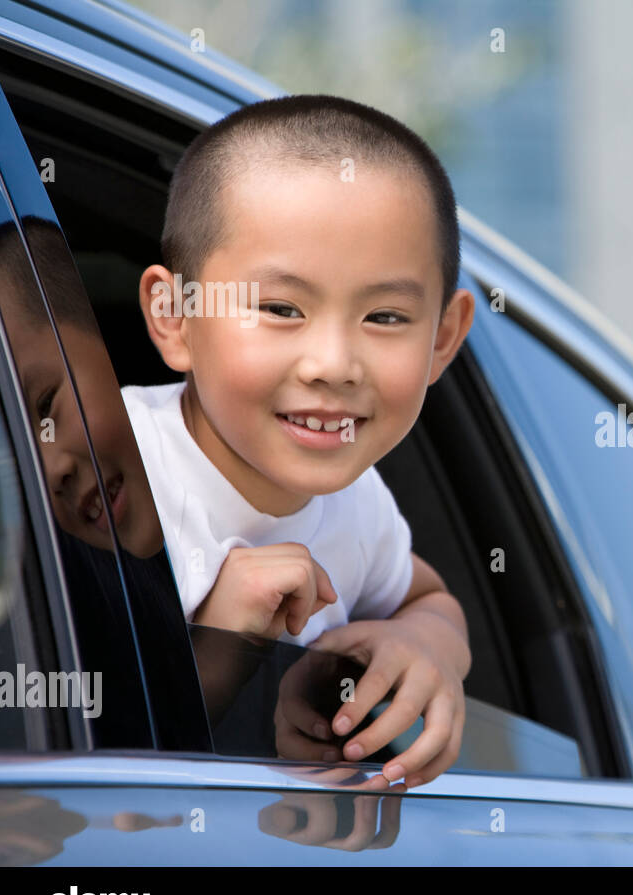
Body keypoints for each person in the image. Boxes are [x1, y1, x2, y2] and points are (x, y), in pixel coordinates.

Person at [121, 94, 476, 787]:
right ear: (174, 317)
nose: (333, 364)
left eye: (384, 316)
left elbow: (428, 597)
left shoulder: (358, 503)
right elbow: (96, 766)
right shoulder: (106, 474)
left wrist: (427, 644)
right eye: (282, 308)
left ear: (442, 339)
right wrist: (223, 644)